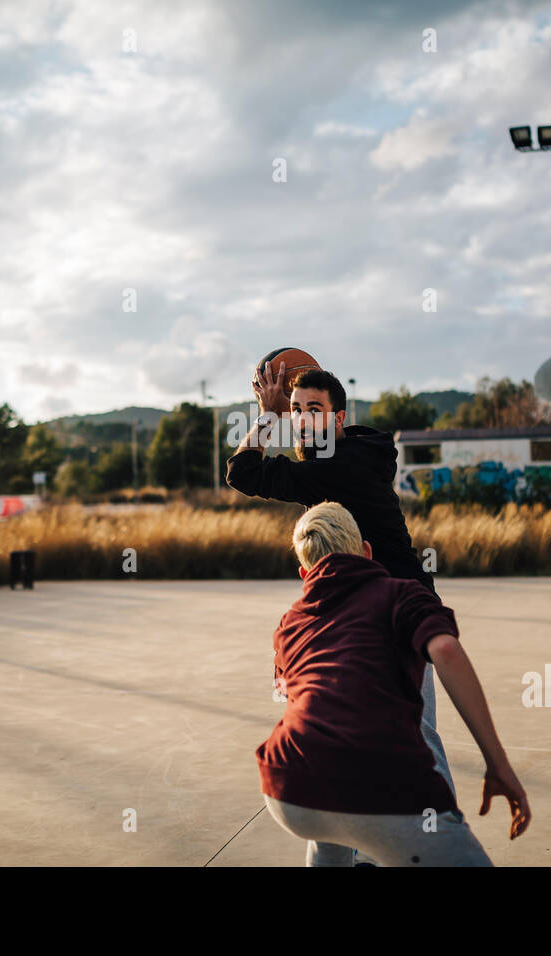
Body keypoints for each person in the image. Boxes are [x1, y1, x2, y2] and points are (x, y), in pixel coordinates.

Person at [226, 361, 453, 865]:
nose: (305, 419)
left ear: (339, 417)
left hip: (397, 615)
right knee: (358, 738)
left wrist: (268, 414)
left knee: (415, 736)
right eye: (298, 410)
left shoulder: (340, 466)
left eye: (316, 411)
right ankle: (376, 850)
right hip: (357, 617)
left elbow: (243, 472)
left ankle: (438, 846)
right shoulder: (349, 456)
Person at [258, 501, 530, 866]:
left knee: (333, 819)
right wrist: (498, 764)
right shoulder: (399, 592)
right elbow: (446, 648)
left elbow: (295, 698)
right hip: (381, 783)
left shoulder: (290, 622)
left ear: (304, 573)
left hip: (289, 787)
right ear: (367, 552)